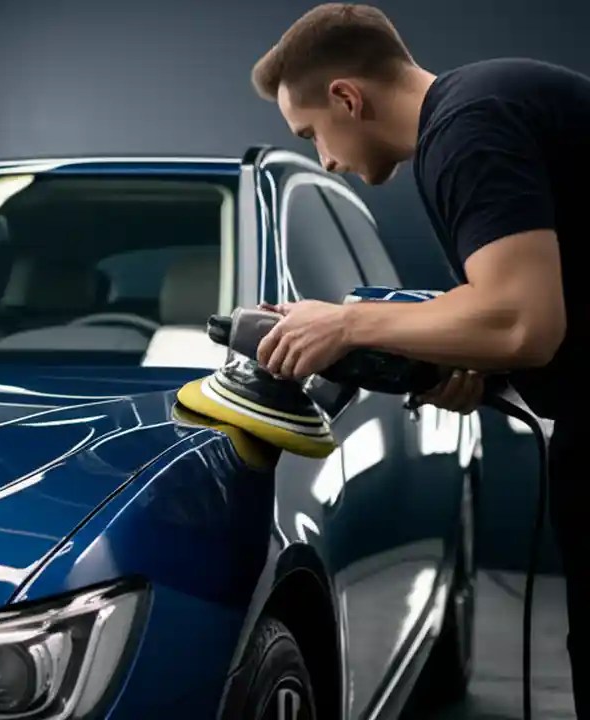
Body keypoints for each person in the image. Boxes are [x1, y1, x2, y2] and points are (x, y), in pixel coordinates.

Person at [248, 2, 587, 714]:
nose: (326, 161)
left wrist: (347, 324)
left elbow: (528, 321)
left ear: (347, 96)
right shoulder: (483, 105)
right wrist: (470, 348)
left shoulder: (467, 131)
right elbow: (517, 305)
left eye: (311, 133)